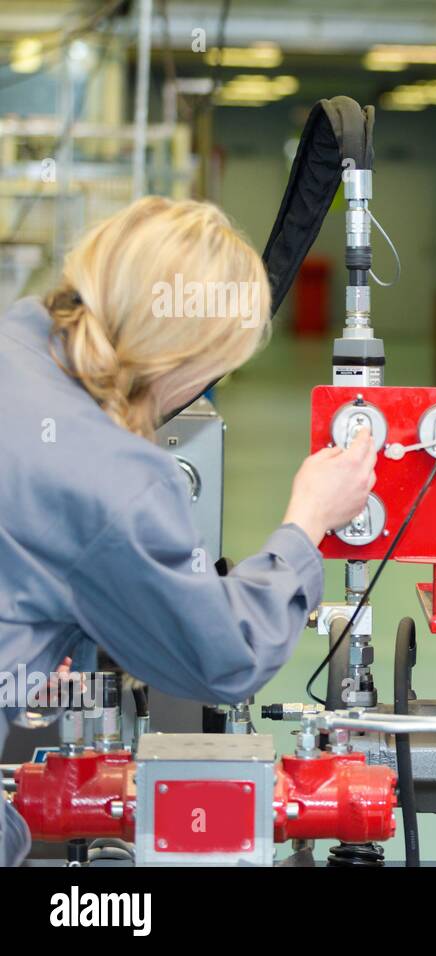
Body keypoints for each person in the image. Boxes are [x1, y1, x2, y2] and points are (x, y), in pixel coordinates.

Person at [0, 196, 377, 865]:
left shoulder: (17, 335)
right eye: (215, 370)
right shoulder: (112, 478)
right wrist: (307, 521)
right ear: (183, 359)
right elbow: (221, 656)